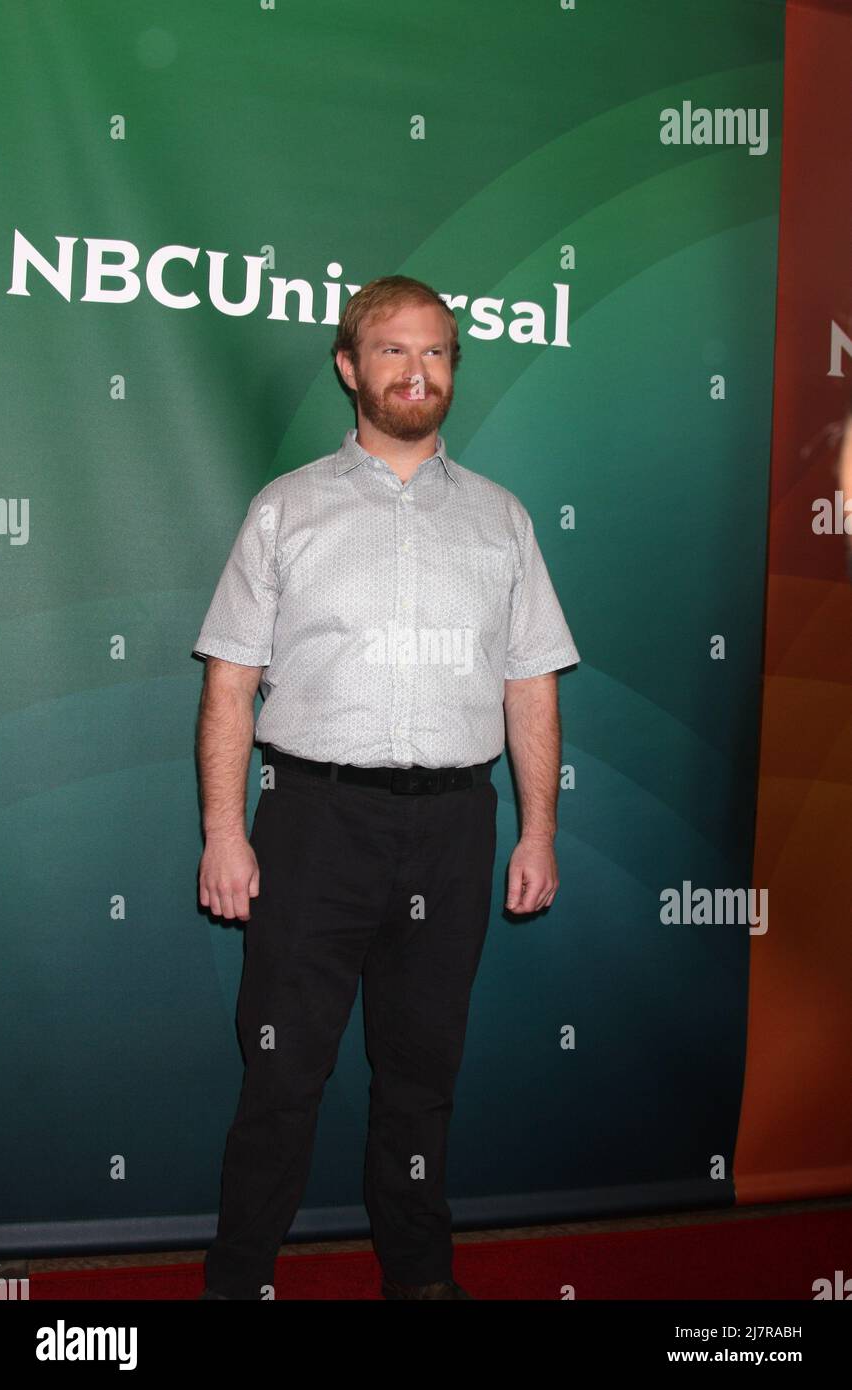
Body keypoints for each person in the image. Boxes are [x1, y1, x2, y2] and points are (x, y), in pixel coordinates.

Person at [192, 274, 580, 1300]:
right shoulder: (286, 509)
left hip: (454, 829)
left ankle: (418, 1276)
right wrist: (223, 833)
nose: (419, 371)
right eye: (395, 351)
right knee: (282, 1074)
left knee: (421, 1077)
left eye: (438, 352)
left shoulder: (501, 520)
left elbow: (528, 684)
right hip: (312, 822)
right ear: (349, 366)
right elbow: (229, 684)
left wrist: (536, 830)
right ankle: (236, 1281)